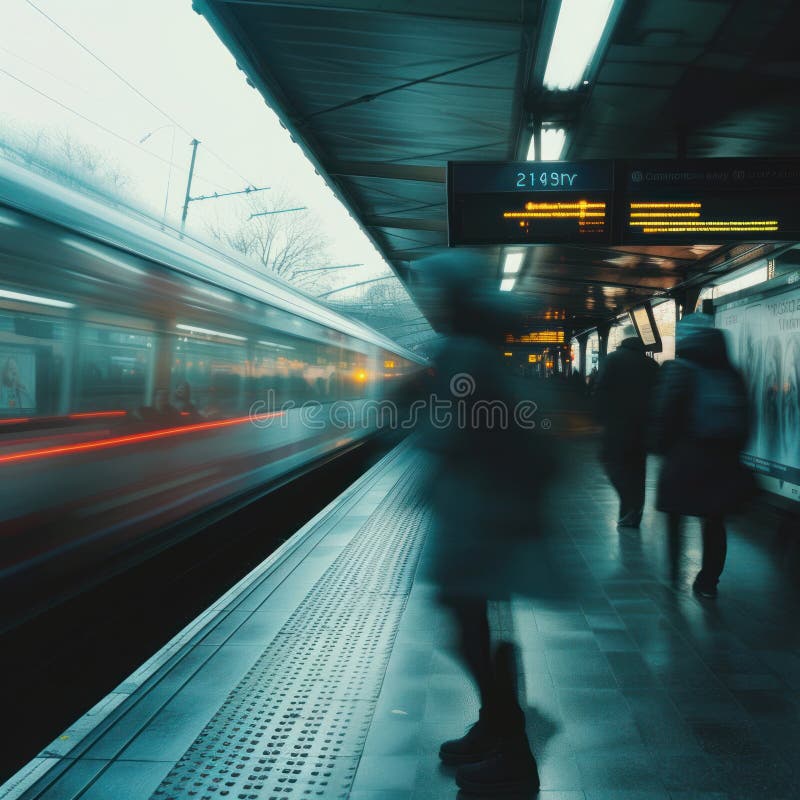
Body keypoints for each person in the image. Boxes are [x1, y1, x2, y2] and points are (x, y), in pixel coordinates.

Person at [416, 259, 565, 796]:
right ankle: (495, 729)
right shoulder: (477, 348)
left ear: (453, 296)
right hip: (488, 513)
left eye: (434, 289)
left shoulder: (465, 354)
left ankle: (511, 748)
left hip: (479, 516)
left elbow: (450, 433)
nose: (428, 300)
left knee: (470, 625)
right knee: (475, 622)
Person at [651, 313, 752, 597]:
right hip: (721, 458)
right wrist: (733, 452)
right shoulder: (731, 371)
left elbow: (666, 413)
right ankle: (708, 582)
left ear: (683, 338)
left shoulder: (678, 368)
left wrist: (661, 447)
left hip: (684, 456)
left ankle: (673, 575)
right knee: (714, 520)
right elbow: (746, 418)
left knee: (675, 516)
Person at [594, 327, 659, 527]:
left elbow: (600, 390)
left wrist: (599, 418)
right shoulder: (651, 365)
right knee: (638, 473)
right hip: (642, 429)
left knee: (612, 464)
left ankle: (629, 505)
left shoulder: (613, 360)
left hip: (617, 426)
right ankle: (634, 513)